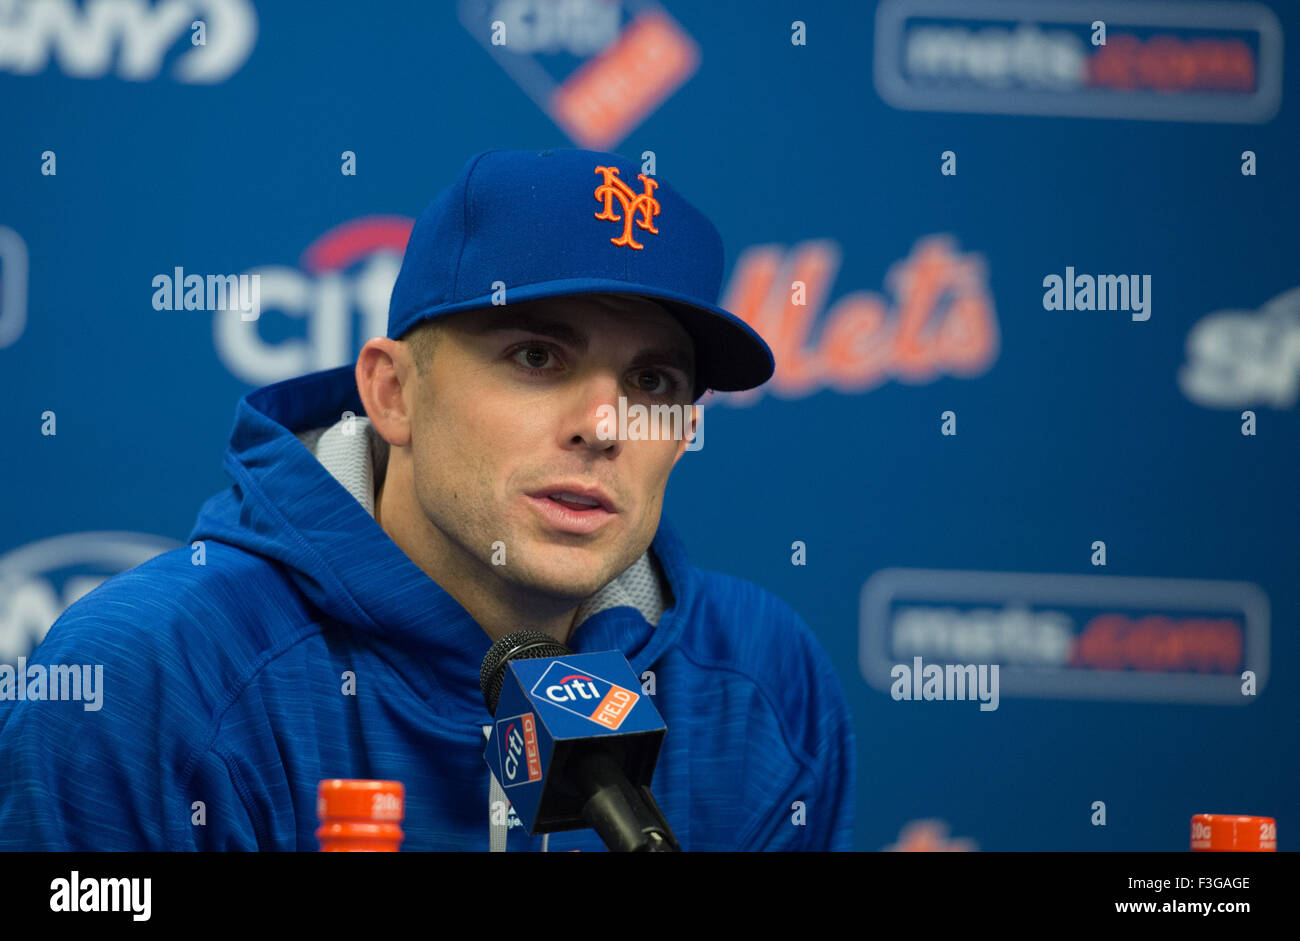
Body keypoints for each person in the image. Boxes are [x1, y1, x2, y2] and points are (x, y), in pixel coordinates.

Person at [0, 148, 856, 850]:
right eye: (536, 358)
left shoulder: (760, 681)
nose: (604, 426)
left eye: (653, 379)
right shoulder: (155, 672)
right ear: (393, 394)